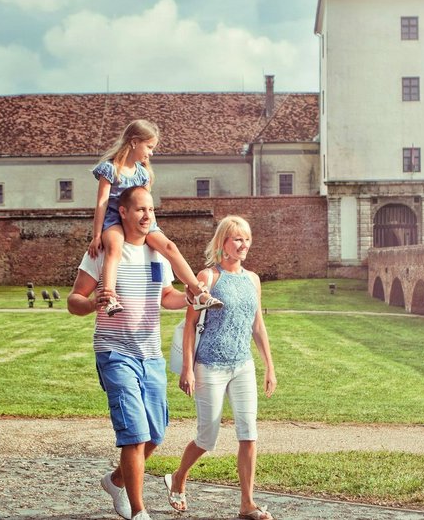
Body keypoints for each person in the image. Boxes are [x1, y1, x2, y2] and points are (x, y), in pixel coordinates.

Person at [68, 186, 191, 520]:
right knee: (134, 434)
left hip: (150, 354)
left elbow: (167, 295)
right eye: (140, 210)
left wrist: (190, 297)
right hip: (114, 351)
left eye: (151, 210)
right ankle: (139, 511)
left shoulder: (157, 252)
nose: (147, 215)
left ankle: (117, 480)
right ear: (122, 212)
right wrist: (94, 303)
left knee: (155, 434)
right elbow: (73, 300)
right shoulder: (106, 250)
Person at [165, 215, 277, 520]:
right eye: (237, 239)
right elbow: (190, 326)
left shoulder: (252, 279)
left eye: (247, 239)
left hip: (243, 365)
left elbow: (258, 324)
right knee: (207, 437)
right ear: (223, 243)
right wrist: (187, 368)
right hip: (210, 366)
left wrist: (269, 365)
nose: (243, 245)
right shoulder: (208, 277)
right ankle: (178, 477)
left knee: (249, 433)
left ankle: (247, 504)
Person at [89, 119, 221, 316]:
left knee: (170, 247)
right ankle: (110, 298)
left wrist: (149, 222)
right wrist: (97, 235)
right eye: (149, 147)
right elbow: (102, 203)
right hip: (115, 219)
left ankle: (198, 292)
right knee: (114, 248)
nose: (151, 153)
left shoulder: (142, 173)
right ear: (134, 142)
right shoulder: (110, 168)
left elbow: (146, 203)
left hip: (141, 221)